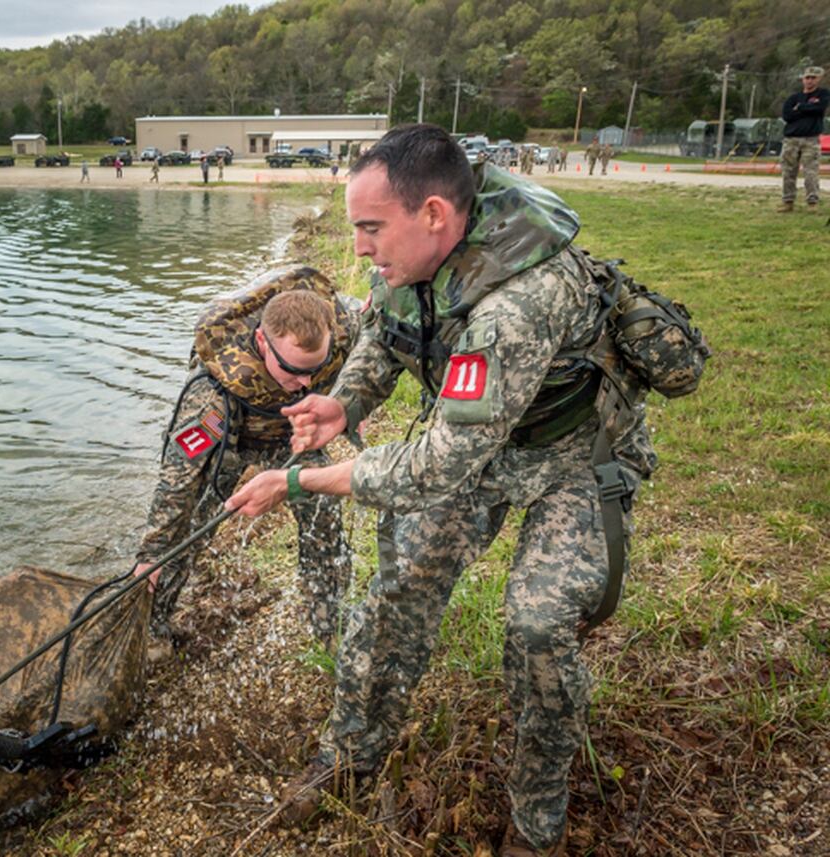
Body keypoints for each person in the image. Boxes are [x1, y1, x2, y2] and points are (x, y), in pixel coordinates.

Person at [227, 125, 658, 856]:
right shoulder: (411, 253)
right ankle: (349, 754)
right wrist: (345, 404)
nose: (358, 248)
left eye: (370, 228)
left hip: (573, 455)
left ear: (433, 214)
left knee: (538, 624)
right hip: (479, 437)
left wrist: (301, 479)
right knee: (400, 588)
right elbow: (386, 333)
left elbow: (436, 466)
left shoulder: (520, 301)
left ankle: (537, 822)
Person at [134, 266, 359, 655]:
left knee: (323, 508)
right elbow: (177, 481)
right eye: (293, 370)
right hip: (231, 438)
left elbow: (378, 338)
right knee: (192, 526)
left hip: (292, 435)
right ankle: (152, 629)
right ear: (261, 342)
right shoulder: (209, 397)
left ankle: (329, 622)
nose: (306, 382)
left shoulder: (345, 327)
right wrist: (150, 555)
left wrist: (353, 404)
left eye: (314, 370)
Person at [777, 65, 827, 212]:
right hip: (791, 139)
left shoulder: (823, 94)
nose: (809, 81)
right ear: (803, 79)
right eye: (807, 78)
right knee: (788, 172)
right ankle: (788, 201)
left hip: (810, 140)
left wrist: (799, 108)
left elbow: (819, 108)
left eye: (813, 78)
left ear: (818, 79)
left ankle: (812, 202)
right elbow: (787, 115)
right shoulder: (793, 98)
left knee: (811, 172)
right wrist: (807, 108)